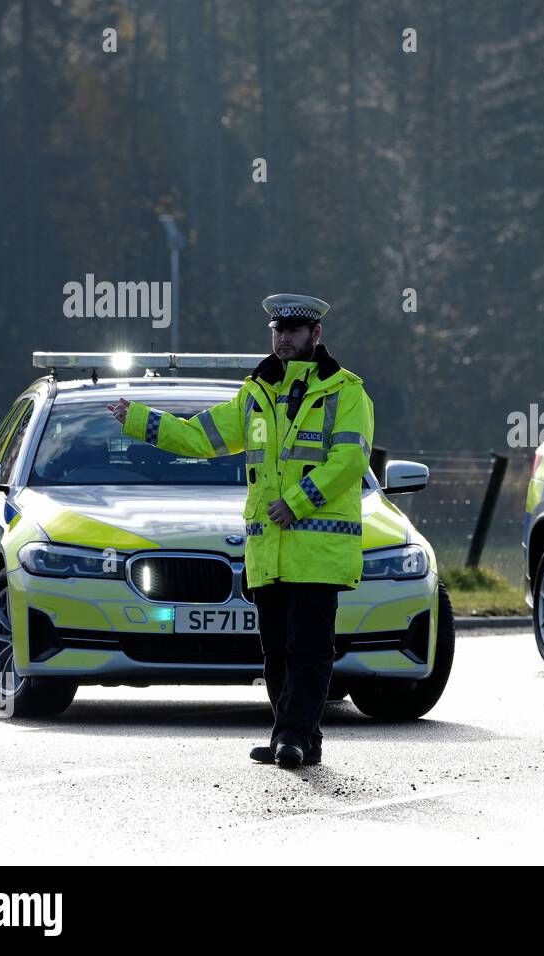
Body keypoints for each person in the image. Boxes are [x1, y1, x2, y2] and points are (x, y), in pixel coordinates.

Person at [108, 293, 374, 768]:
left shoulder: (345, 392)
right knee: (275, 652)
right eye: (276, 330)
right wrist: (141, 421)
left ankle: (293, 734)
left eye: (292, 331)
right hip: (268, 550)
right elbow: (201, 438)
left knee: (308, 649)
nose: (282, 338)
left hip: (317, 550)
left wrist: (296, 502)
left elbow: (350, 459)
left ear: (316, 335)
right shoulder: (255, 393)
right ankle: (291, 738)